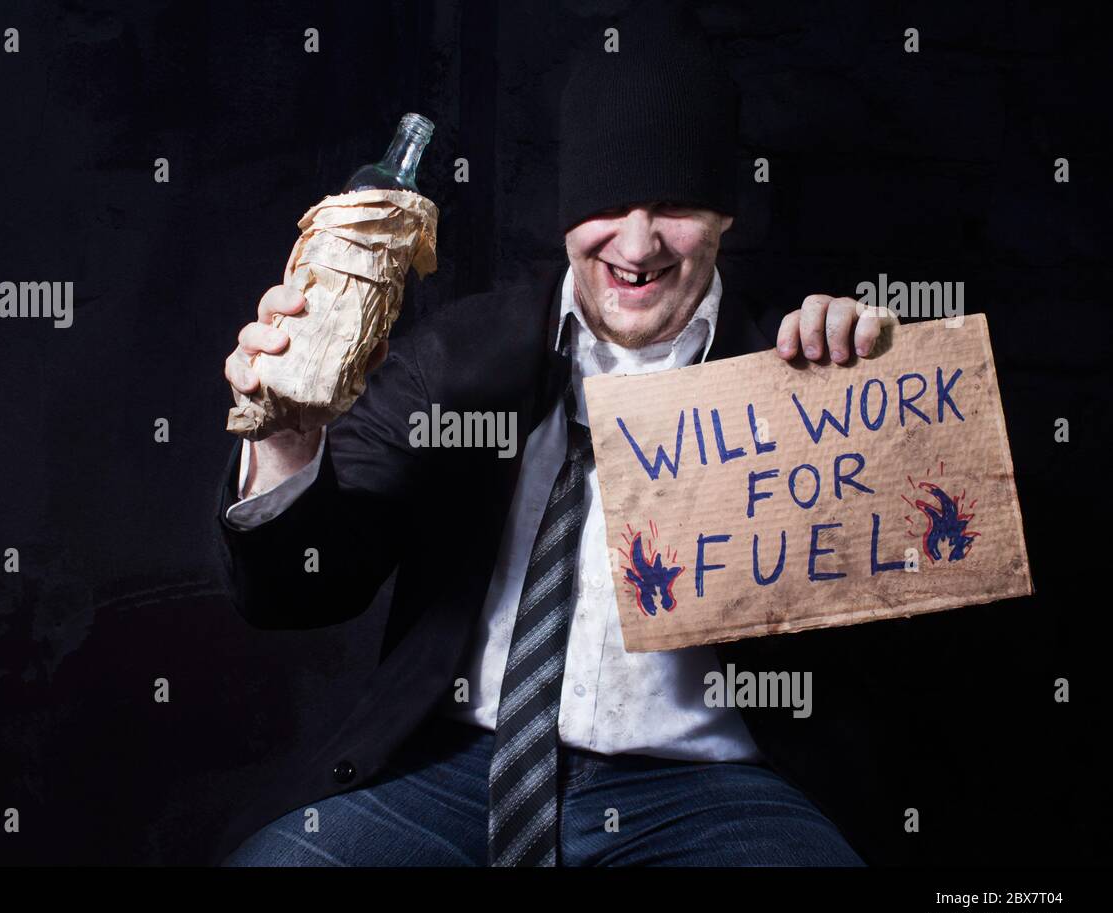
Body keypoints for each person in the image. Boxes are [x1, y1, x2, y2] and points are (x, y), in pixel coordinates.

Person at [214, 2, 891, 866]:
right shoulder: (456, 360)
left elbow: (896, 641)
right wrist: (287, 436)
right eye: (609, 201)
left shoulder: (793, 375)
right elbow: (296, 593)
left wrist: (871, 403)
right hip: (457, 771)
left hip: (710, 795)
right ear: (569, 216)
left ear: (724, 218)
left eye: (677, 202)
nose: (638, 243)